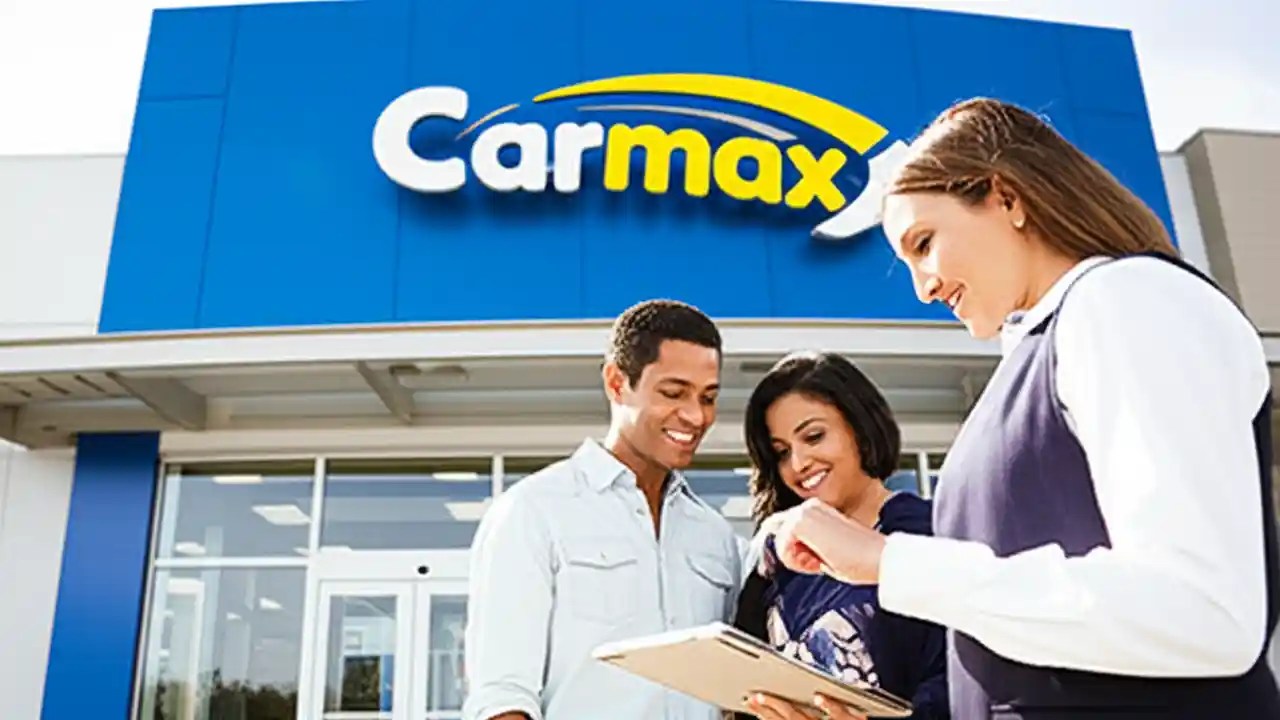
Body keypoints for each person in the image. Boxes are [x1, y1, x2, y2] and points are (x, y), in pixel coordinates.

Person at [755, 97, 1279, 720]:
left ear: (1006, 197)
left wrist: (891, 561)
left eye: (924, 243)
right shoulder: (1048, 345)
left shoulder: (1124, 299)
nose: (923, 287)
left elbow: (1202, 610)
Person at [462, 298, 743, 720]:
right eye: (673, 392)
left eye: (708, 397)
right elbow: (502, 696)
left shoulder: (715, 535)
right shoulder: (534, 511)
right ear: (616, 382)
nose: (695, 416)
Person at [732, 351, 948, 720]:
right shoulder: (782, 562)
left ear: (859, 429)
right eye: (781, 453)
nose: (798, 464)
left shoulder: (929, 535)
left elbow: (964, 683)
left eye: (814, 437)